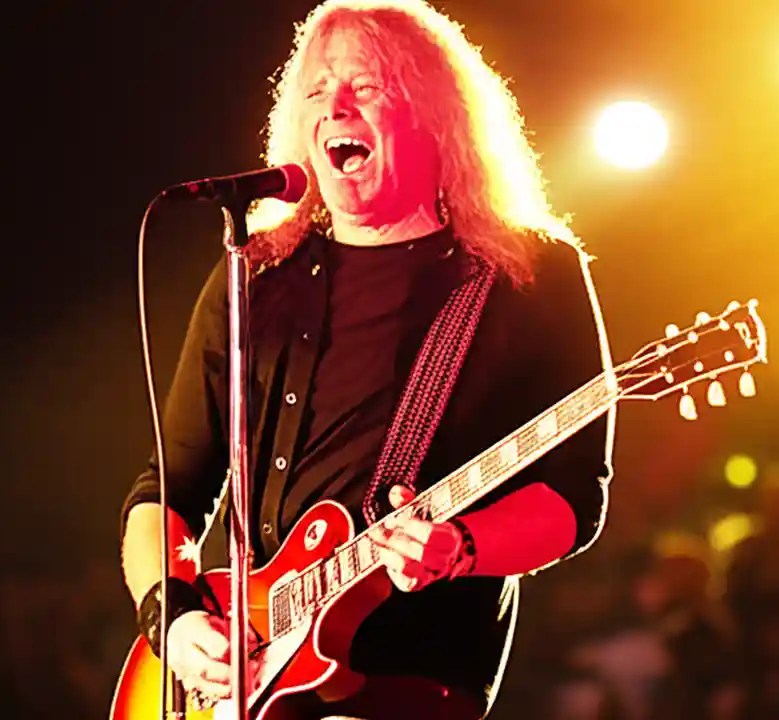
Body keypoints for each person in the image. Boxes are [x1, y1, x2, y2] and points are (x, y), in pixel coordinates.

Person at [119, 1, 614, 717]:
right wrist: (175, 618)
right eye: (317, 91)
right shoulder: (256, 272)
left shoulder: (525, 274)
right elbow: (169, 487)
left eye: (368, 87)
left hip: (417, 668)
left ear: (435, 115)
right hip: (247, 666)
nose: (336, 107)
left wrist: (463, 547)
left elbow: (574, 497)